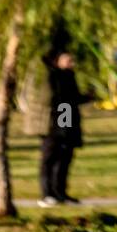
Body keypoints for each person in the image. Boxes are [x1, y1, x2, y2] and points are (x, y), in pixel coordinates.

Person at [38, 50, 93, 207]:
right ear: (57, 62)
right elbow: (61, 102)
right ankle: (47, 194)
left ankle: (60, 193)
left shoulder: (69, 76)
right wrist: (63, 129)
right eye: (68, 60)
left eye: (72, 60)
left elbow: (71, 100)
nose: (72, 63)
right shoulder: (54, 76)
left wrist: (87, 97)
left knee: (64, 160)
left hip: (67, 123)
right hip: (53, 126)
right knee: (50, 159)